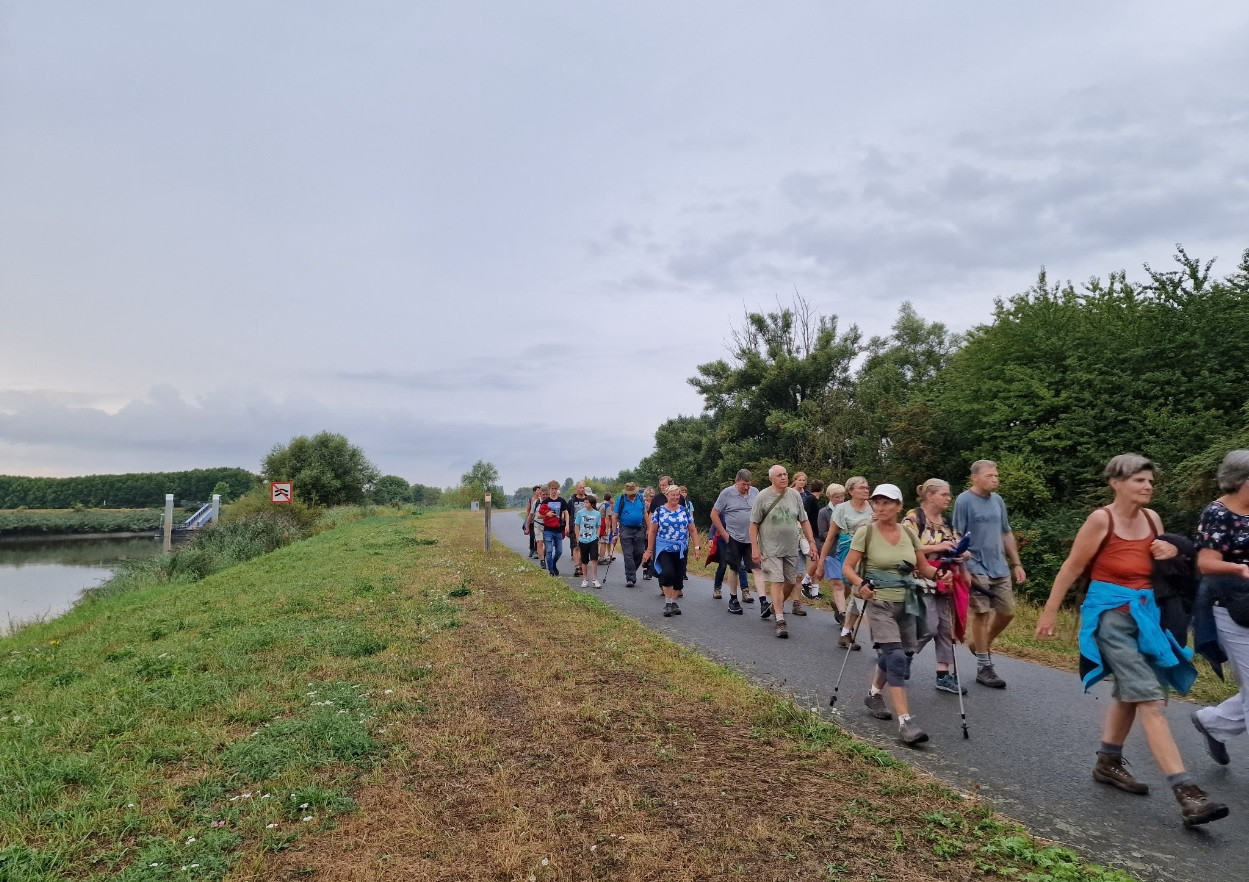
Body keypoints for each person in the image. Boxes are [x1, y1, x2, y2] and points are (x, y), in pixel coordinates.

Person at [1036, 454, 1228, 827]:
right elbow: (1073, 567)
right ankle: (1187, 793)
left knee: (1135, 690)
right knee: (1150, 699)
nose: (1148, 486)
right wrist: (1049, 611)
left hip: (1147, 615)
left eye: (1151, 481)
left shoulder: (1153, 519)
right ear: (1116, 482)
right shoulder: (1100, 520)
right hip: (1108, 617)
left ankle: (1108, 760)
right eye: (1140, 480)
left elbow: (1169, 566)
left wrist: (1172, 552)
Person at [842, 483, 941, 746]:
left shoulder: (909, 534)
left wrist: (941, 575)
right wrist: (860, 585)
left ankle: (874, 694)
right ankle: (905, 722)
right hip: (879, 602)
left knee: (902, 654)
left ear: (898, 506)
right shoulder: (867, 532)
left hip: (907, 603)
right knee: (896, 657)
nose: (881, 507)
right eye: (877, 502)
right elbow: (848, 567)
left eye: (887, 502)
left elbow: (923, 568)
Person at [1191, 449, 1249, 770]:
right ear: (1244, 482)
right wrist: (1239, 570)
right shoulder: (1217, 513)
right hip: (1231, 608)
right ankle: (1214, 723)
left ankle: (1214, 722)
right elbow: (1206, 563)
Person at [952, 460, 1026, 688]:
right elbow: (957, 534)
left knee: (1008, 611)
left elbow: (1006, 532)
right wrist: (963, 568)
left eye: (996, 475)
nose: (995, 479)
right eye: (990, 475)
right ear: (975, 477)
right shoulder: (964, 500)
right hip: (975, 564)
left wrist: (1017, 564)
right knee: (982, 614)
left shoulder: (998, 500)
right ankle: (984, 667)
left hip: (999, 566)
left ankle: (979, 645)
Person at [904, 479, 969, 695]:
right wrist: (939, 546)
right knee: (929, 627)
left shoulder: (947, 521)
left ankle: (943, 675)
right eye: (944, 494)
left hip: (945, 579)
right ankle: (903, 655)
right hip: (921, 579)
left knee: (945, 629)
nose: (949, 498)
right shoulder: (914, 518)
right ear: (930, 495)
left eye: (949, 494)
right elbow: (905, 546)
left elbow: (958, 544)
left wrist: (960, 553)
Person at [750, 464, 816, 639]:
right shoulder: (763, 496)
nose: (784, 477)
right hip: (770, 547)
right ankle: (779, 619)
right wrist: (755, 549)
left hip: (791, 547)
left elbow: (804, 520)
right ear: (771, 478)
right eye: (779, 475)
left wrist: (811, 542)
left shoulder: (795, 495)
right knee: (777, 581)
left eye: (785, 474)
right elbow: (754, 524)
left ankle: (774, 606)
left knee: (791, 582)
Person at [818, 476, 873, 650]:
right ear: (851, 491)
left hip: (868, 555)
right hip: (847, 552)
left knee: (856, 593)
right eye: (862, 487)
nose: (866, 490)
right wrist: (820, 564)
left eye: (867, 487)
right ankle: (879, 640)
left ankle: (845, 632)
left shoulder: (873, 508)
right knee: (854, 591)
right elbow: (830, 537)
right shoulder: (842, 509)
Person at [642, 484, 700, 617]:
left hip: (681, 548)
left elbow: (692, 529)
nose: (675, 497)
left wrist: (697, 547)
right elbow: (652, 532)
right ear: (667, 496)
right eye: (673, 494)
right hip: (664, 548)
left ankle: (674, 602)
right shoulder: (659, 511)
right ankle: (668, 603)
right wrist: (649, 550)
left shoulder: (684, 511)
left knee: (679, 577)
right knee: (667, 573)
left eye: (677, 495)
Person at [711, 469, 760, 614]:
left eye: (749, 485)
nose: (747, 488)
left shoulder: (755, 492)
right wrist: (724, 533)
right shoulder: (727, 493)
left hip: (751, 538)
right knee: (731, 566)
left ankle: (751, 594)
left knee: (753, 567)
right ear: (737, 481)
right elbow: (714, 514)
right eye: (744, 484)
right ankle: (730, 596)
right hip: (732, 536)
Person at [813, 483, 847, 619]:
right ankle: (843, 615)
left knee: (847, 585)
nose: (841, 499)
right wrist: (836, 531)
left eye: (842, 496)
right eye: (837, 497)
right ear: (830, 497)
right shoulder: (824, 512)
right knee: (838, 583)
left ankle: (839, 606)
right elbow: (821, 535)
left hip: (847, 551)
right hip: (831, 552)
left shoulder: (848, 510)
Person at [615, 482, 647, 587]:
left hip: (639, 528)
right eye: (630, 493)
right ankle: (630, 578)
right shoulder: (621, 499)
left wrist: (649, 528)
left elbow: (645, 513)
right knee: (628, 554)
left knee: (639, 552)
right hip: (625, 528)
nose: (632, 494)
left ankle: (631, 570)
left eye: (633, 492)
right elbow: (614, 516)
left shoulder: (640, 498)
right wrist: (615, 532)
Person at [536, 480, 570, 576]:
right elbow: (539, 515)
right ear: (549, 489)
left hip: (558, 529)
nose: (554, 491)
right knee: (549, 550)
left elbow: (566, 513)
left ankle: (553, 564)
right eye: (552, 489)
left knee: (559, 551)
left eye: (556, 489)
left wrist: (567, 525)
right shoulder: (546, 501)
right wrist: (547, 514)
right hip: (548, 529)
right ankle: (551, 570)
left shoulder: (561, 500)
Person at [799, 477, 824, 599]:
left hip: (817, 534)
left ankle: (814, 591)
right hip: (811, 534)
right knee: (817, 560)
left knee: (817, 561)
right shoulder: (810, 500)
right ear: (822, 489)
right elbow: (805, 517)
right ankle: (805, 582)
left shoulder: (814, 499)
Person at [575, 495, 603, 589]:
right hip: (583, 539)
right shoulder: (580, 513)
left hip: (593, 539)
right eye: (584, 502)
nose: (585, 504)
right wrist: (577, 537)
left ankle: (595, 579)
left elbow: (599, 526)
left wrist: (597, 536)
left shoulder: (597, 514)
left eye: (587, 502)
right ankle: (585, 579)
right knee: (584, 560)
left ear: (592, 504)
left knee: (594, 558)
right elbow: (577, 525)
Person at [567, 481, 591, 577]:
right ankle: (577, 566)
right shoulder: (572, 500)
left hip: (586, 527)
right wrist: (567, 525)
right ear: (577, 488)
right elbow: (567, 514)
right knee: (575, 547)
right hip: (575, 527)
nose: (582, 489)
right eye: (580, 487)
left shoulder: (588, 499)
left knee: (584, 547)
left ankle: (581, 564)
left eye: (583, 487)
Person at [524, 485, 542, 558]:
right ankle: (531, 549)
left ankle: (536, 551)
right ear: (534, 492)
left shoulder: (541, 500)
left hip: (538, 520)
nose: (539, 491)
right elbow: (528, 511)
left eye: (540, 490)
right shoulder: (530, 500)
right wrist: (527, 519)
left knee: (537, 536)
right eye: (538, 490)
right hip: (531, 520)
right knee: (532, 536)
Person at [598, 491, 615, 563]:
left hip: (598, 522)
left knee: (599, 541)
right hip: (603, 523)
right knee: (604, 542)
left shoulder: (599, 504)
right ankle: (601, 558)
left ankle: (599, 556)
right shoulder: (607, 506)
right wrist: (607, 528)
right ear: (610, 498)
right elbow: (607, 518)